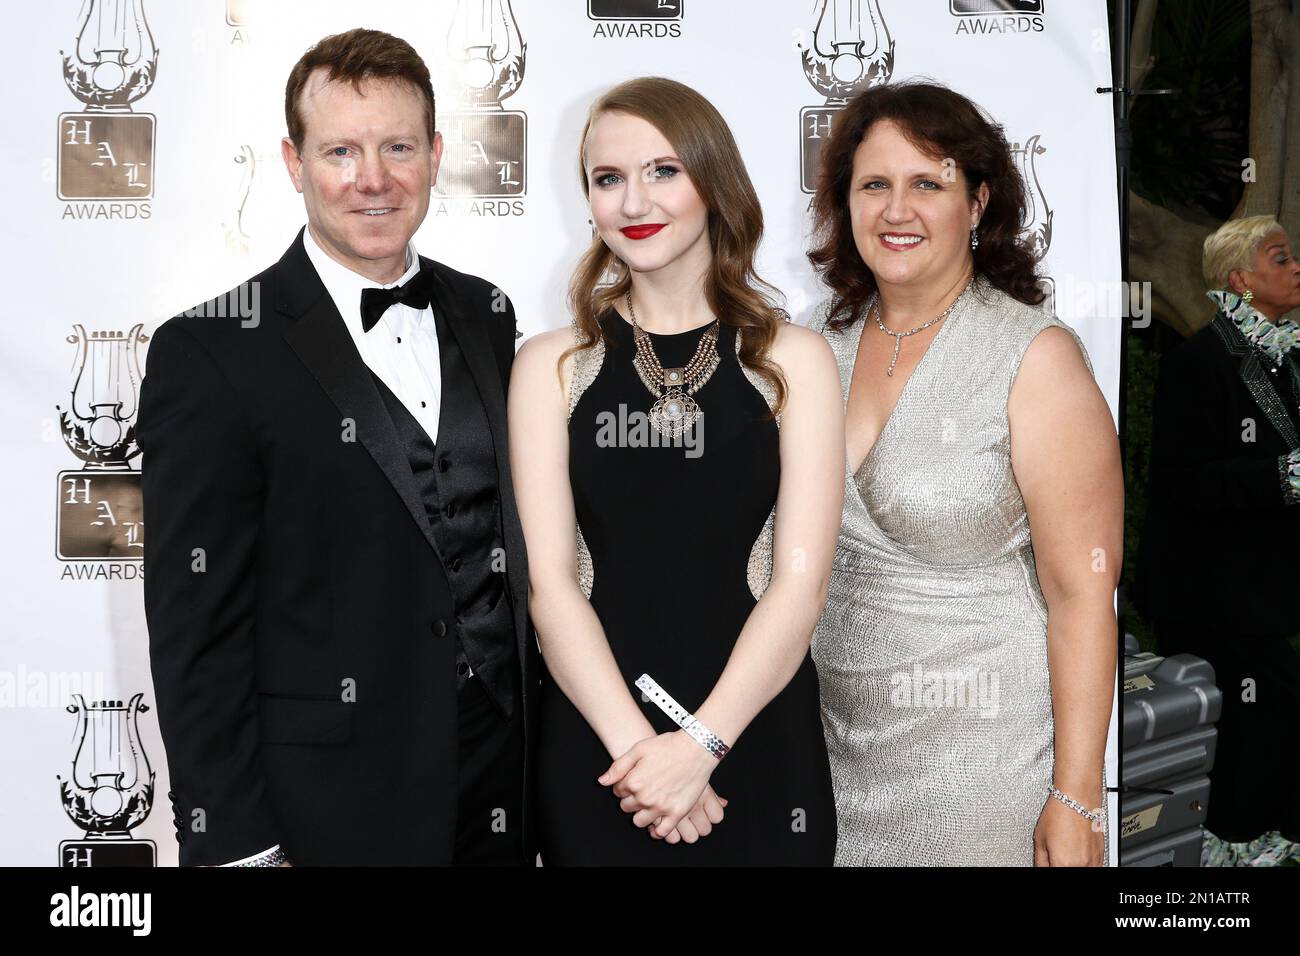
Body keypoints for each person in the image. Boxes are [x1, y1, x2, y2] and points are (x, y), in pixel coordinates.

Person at [137, 29, 535, 866]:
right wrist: (237, 845)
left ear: (434, 154)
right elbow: (194, 631)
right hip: (326, 809)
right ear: (293, 162)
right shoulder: (208, 350)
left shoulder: (489, 316)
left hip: (504, 790)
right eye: (340, 151)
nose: (373, 179)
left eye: (397, 147)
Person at [508, 77, 843, 865]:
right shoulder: (550, 365)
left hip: (758, 732)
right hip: (600, 743)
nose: (633, 201)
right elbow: (550, 586)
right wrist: (644, 759)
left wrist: (698, 748)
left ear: (712, 181)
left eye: (663, 170)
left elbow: (801, 585)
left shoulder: (793, 361)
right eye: (608, 178)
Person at [807, 80, 1122, 866]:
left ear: (978, 203)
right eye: (874, 184)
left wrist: (1077, 794)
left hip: (986, 759)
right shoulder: (811, 346)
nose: (896, 210)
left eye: (928, 183)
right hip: (826, 753)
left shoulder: (1033, 357)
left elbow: (1083, 590)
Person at [1135, 214, 1300, 864]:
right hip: (1208, 593)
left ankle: (1268, 837)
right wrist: (1284, 477)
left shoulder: (1285, 355)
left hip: (1259, 590)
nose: (1296, 268)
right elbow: (1185, 481)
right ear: (1240, 278)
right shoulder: (1197, 364)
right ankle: (1233, 846)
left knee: (1269, 720)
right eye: (1281, 258)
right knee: (1256, 724)